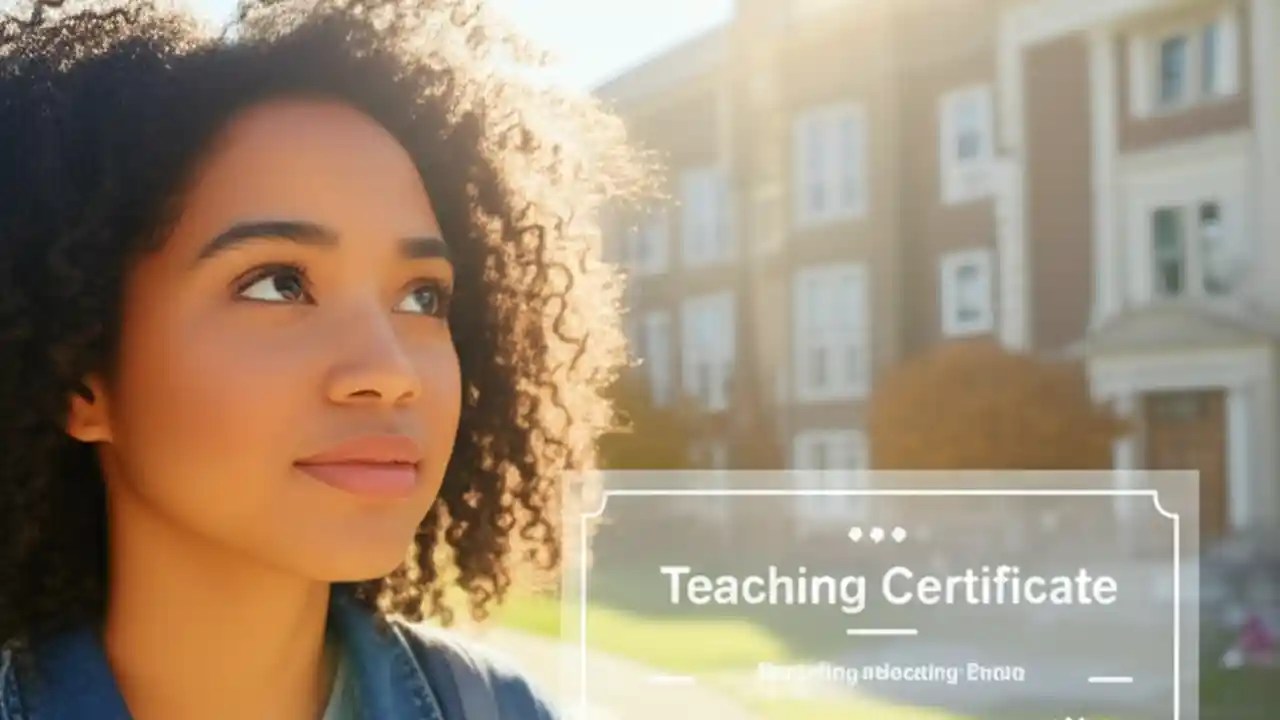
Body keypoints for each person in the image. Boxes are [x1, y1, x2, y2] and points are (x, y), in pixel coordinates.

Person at [0, 0, 645, 717]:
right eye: (279, 284)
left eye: (423, 298)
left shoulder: (499, 708)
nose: (391, 371)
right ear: (80, 377)